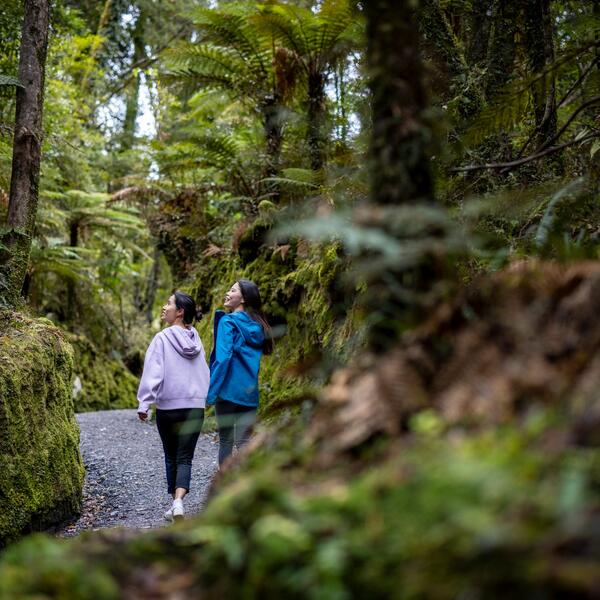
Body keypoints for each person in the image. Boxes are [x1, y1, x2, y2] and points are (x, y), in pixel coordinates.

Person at [137, 291, 209, 522]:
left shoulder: (162, 338)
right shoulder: (197, 340)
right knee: (185, 457)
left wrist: (144, 402)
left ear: (180, 312)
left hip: (168, 408)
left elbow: (153, 372)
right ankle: (178, 502)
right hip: (195, 407)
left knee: (171, 456)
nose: (164, 307)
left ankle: (175, 504)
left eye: (168, 303)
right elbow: (205, 372)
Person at [207, 279, 272, 466]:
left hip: (227, 392)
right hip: (250, 393)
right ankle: (247, 487)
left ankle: (226, 489)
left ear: (243, 299)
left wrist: (212, 391)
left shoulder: (227, 322)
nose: (227, 293)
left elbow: (223, 358)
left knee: (226, 442)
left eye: (232, 290)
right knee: (244, 442)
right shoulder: (259, 326)